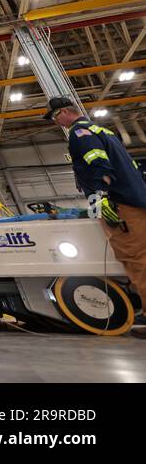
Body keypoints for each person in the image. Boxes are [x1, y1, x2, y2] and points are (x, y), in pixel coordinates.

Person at [44, 98, 146, 338]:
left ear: (65, 112)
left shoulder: (80, 133)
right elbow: (129, 165)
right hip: (134, 200)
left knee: (136, 258)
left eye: (54, 116)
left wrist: (102, 197)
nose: (54, 121)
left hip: (122, 205)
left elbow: (98, 162)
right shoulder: (102, 130)